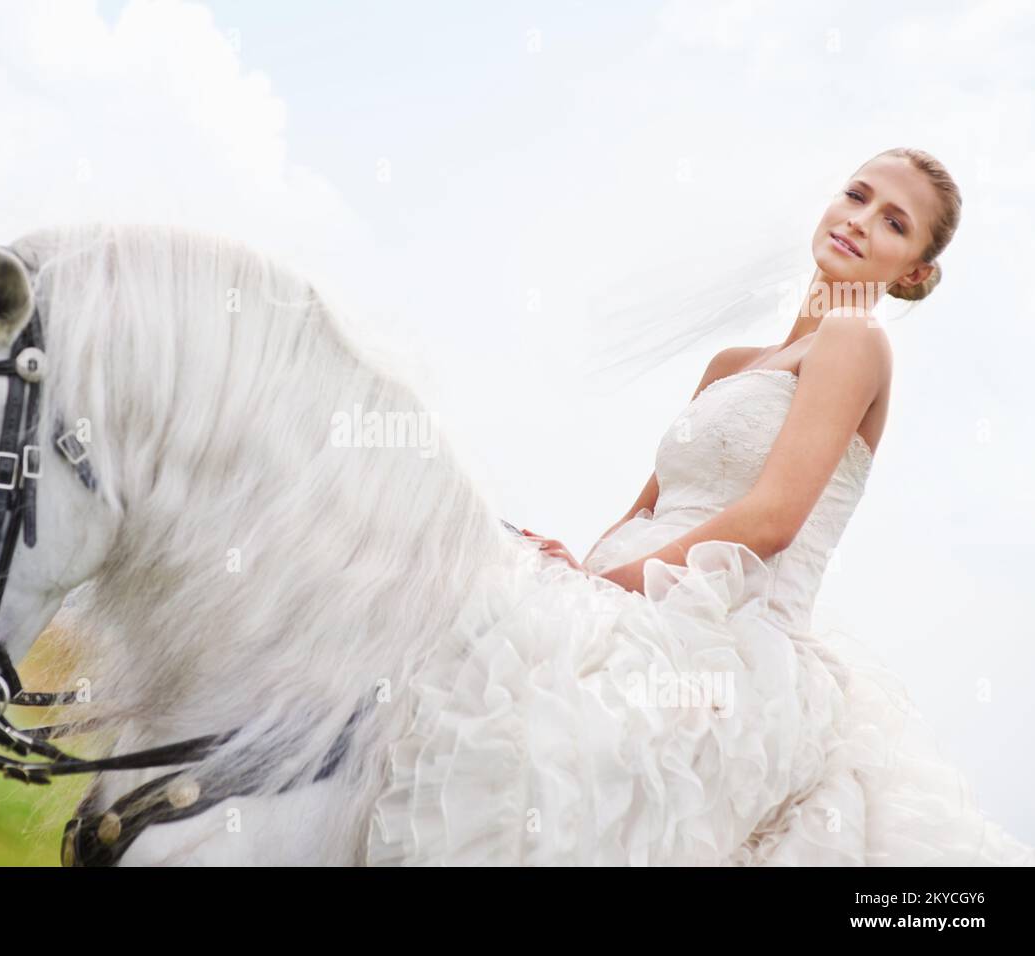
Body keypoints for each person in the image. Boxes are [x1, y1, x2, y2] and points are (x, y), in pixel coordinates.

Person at [367, 148, 1035, 865]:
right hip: (626, 606)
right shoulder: (729, 366)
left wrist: (605, 590)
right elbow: (644, 510)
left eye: (894, 222)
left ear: (914, 273)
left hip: (726, 639)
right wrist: (572, 583)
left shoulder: (856, 338)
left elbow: (771, 522)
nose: (860, 220)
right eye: (856, 194)